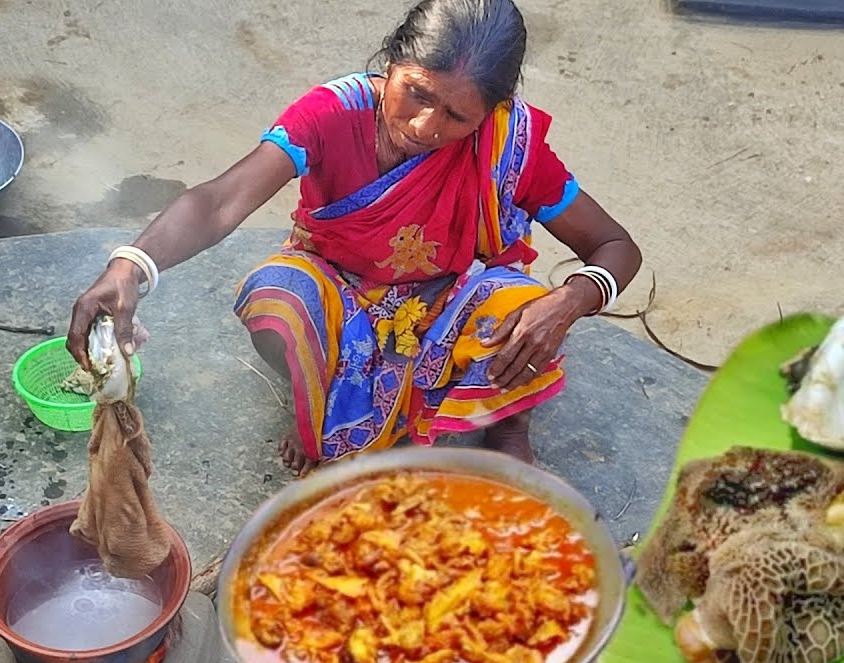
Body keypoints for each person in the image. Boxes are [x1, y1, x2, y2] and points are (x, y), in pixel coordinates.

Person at [66, 0, 641, 476]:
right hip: (338, 283)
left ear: (490, 113)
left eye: (457, 116)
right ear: (392, 62)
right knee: (279, 300)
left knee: (527, 313)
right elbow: (219, 201)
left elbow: (616, 248)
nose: (425, 127)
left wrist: (572, 298)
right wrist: (129, 265)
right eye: (417, 92)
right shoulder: (330, 114)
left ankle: (507, 421)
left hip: (451, 294)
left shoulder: (508, 146)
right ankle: (312, 404)